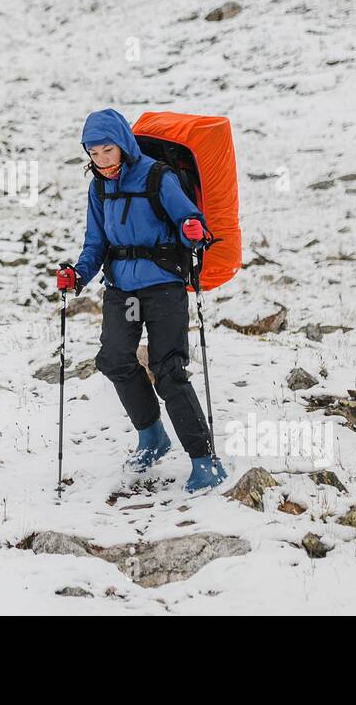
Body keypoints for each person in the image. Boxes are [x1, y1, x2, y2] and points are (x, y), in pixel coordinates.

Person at [55, 108, 227, 492]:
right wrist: (79, 275)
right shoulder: (99, 187)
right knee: (114, 360)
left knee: (169, 372)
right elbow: (96, 242)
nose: (101, 161)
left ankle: (205, 460)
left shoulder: (157, 176)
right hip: (122, 289)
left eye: (107, 151)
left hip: (163, 286)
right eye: (93, 154)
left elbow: (190, 224)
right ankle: (152, 436)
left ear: (123, 145)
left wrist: (192, 230)